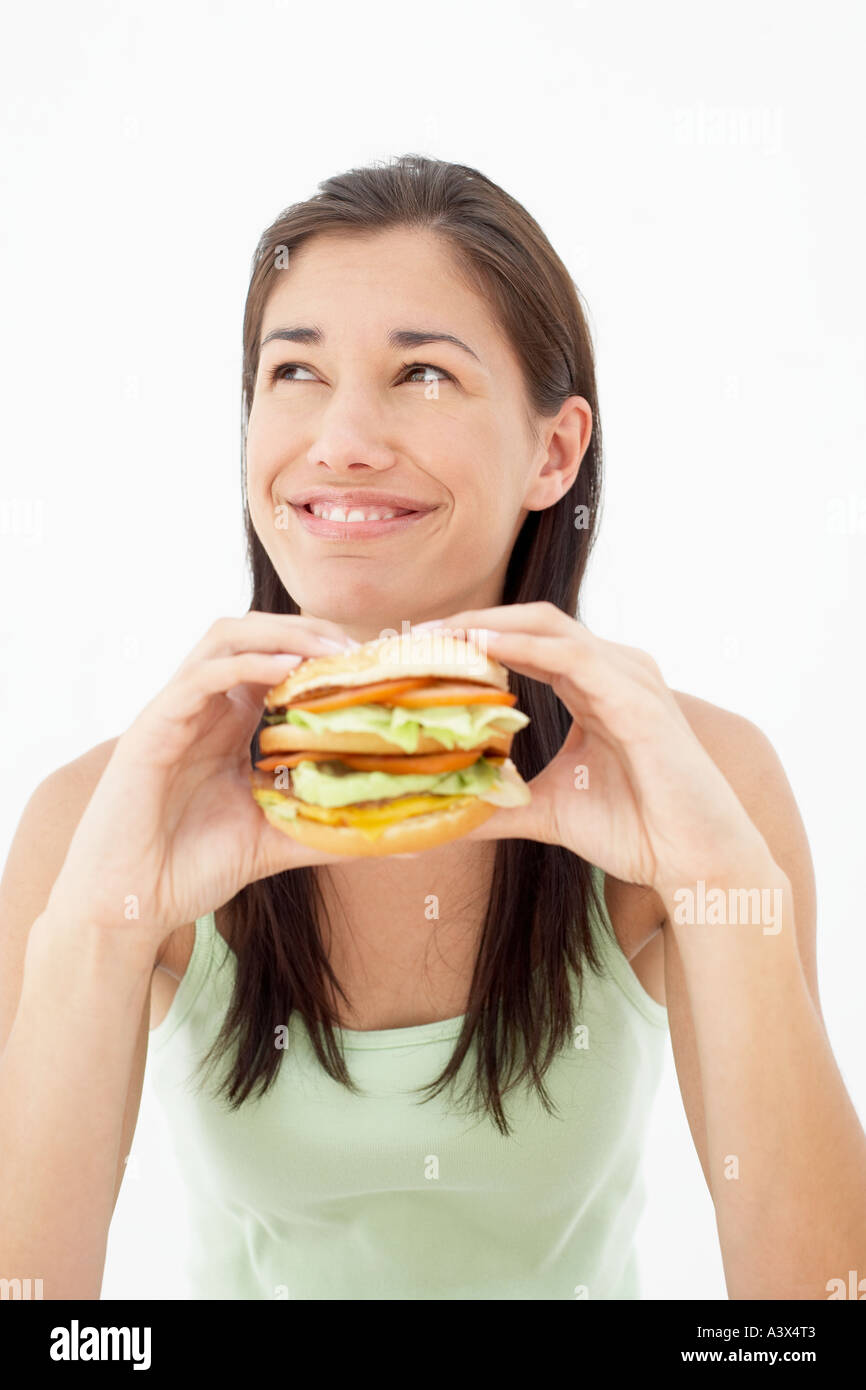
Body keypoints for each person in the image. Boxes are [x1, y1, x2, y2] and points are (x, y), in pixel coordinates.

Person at [2, 155, 864, 1302]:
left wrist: (716, 874)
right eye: (294, 370)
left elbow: (807, 1319)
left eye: (418, 373)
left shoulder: (699, 778)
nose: (340, 439)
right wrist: (99, 928)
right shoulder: (102, 815)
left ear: (553, 453)